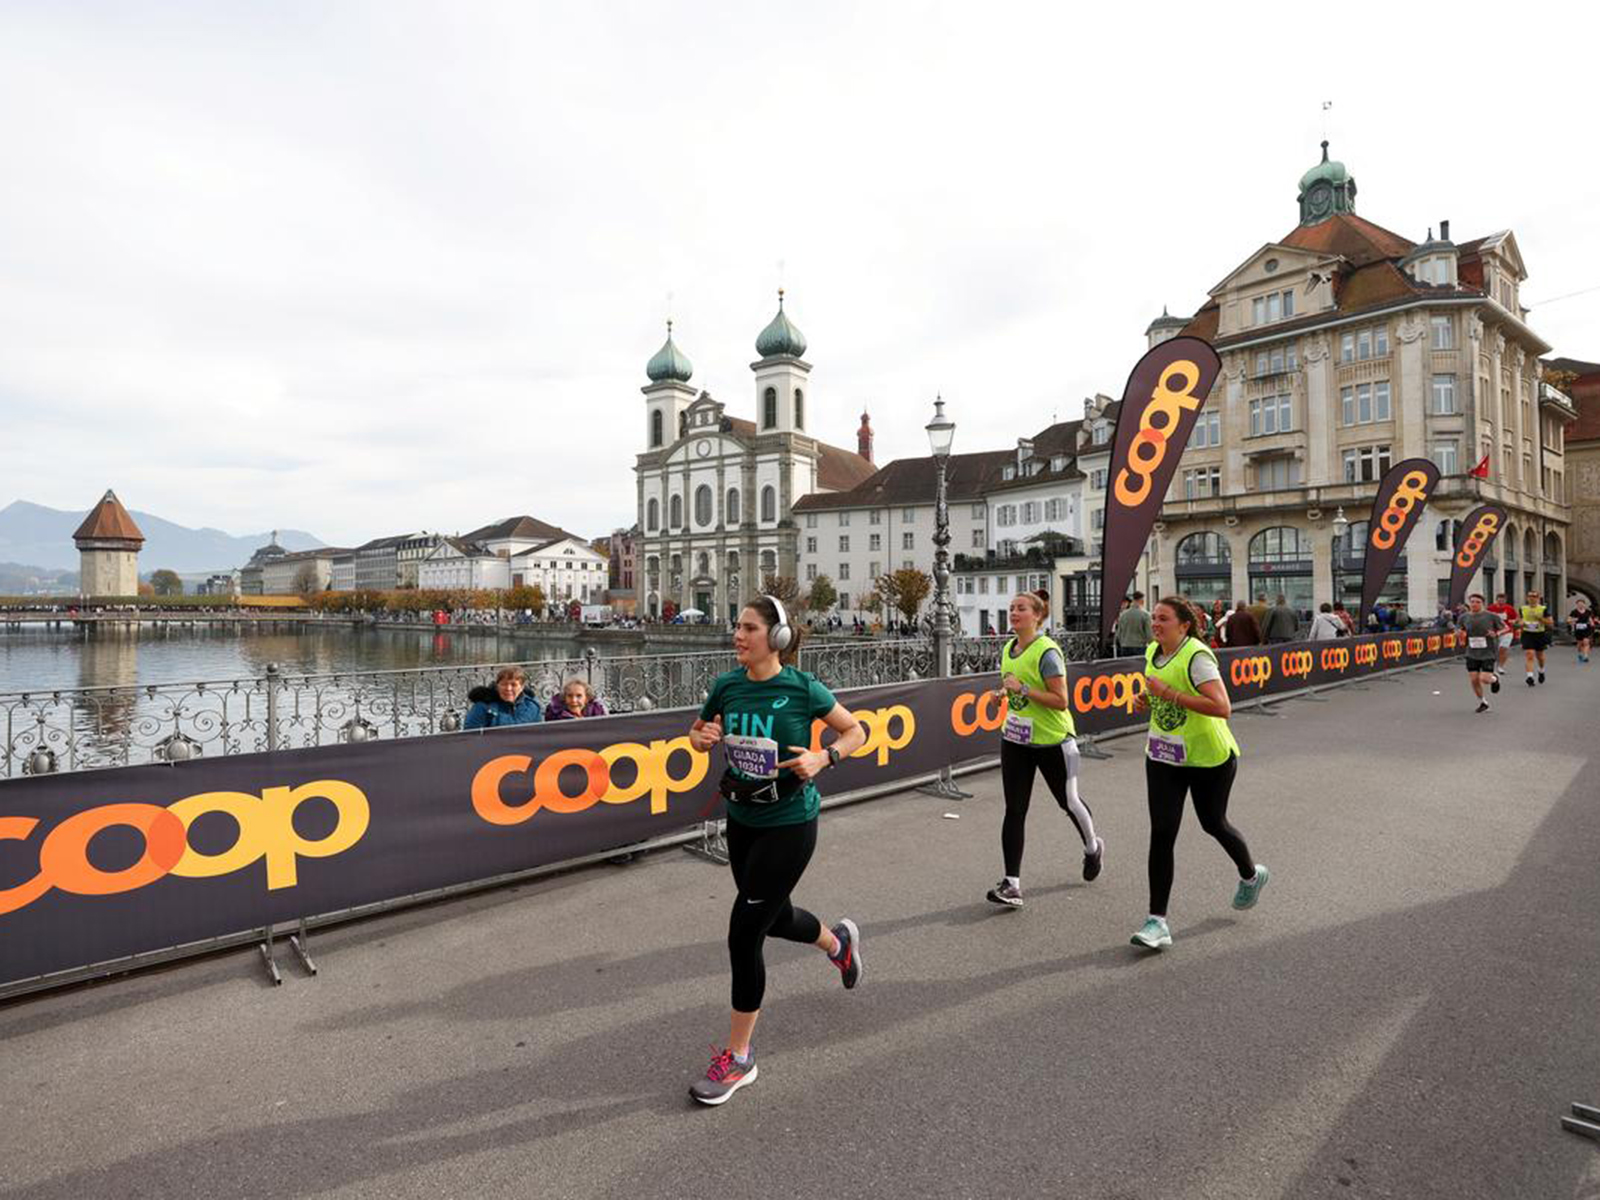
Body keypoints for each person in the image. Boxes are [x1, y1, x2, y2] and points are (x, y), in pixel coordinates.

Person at [685, 595, 867, 1106]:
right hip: (741, 820)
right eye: (736, 627)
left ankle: (739, 1059)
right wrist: (703, 738)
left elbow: (856, 731)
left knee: (745, 934)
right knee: (773, 915)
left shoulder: (802, 688)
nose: (738, 635)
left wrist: (823, 756)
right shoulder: (727, 685)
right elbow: (696, 734)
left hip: (790, 824)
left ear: (777, 637)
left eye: (748, 627)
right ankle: (839, 945)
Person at [1129, 596, 1268, 951]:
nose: (1155, 624)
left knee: (1213, 823)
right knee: (1162, 832)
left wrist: (1170, 694)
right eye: (1154, 618)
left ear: (1184, 625)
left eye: (1163, 619)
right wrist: (1149, 700)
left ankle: (1251, 874)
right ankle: (1156, 922)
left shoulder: (1197, 657)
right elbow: (1157, 692)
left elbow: (1222, 708)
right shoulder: (1152, 653)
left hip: (1209, 757)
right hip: (1163, 755)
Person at [985, 591, 1104, 909]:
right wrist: (1001, 695)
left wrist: (1020, 688)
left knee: (1069, 802)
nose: (1013, 613)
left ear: (1037, 616)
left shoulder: (1047, 651)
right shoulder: (1009, 648)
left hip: (1053, 740)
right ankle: (1012, 884)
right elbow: (1017, 686)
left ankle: (1093, 847)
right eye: (1011, 608)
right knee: (1014, 809)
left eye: (1021, 608)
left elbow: (1060, 700)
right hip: (1016, 739)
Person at [1459, 594, 1508, 713]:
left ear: (1482, 603)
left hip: (1488, 652)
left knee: (1484, 679)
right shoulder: (1464, 617)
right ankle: (1483, 702)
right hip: (1471, 652)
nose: (1474, 604)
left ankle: (1494, 679)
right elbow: (1460, 629)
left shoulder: (1491, 616)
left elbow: (1506, 628)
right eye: (1472, 602)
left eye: (1477, 602)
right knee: (1474, 679)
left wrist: (1496, 633)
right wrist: (1460, 636)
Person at [463, 666, 543, 728]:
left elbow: (538, 737)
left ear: (522, 687)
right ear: (497, 686)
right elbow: (469, 737)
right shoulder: (483, 707)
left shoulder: (532, 707)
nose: (508, 689)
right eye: (504, 684)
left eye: (513, 685)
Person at [1519, 590, 1553, 686]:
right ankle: (1529, 677)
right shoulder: (1523, 608)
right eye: (1530, 596)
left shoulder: (1543, 609)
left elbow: (1550, 623)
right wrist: (1520, 623)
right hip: (1527, 633)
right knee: (1529, 654)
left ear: (1538, 598)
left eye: (1534, 596)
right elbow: (1520, 620)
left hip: (1539, 634)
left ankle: (1541, 670)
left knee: (1540, 657)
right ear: (1527, 598)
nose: (1532, 598)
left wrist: (1540, 618)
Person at [1114, 591, 1153, 658]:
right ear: (1142, 601)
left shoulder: (1123, 615)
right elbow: (1149, 635)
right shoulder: (1145, 615)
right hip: (1140, 647)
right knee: (1138, 667)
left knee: (1126, 668)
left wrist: (1122, 644)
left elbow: (1118, 634)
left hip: (1125, 647)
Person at [1488, 593, 1518, 675]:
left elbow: (1515, 618)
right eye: (1499, 599)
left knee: (1503, 648)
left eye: (1503, 599)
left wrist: (1513, 621)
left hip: (1507, 631)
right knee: (1494, 650)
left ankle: (1500, 666)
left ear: (1505, 600)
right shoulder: (1491, 608)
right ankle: (1493, 666)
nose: (1501, 601)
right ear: (1496, 599)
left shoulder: (1509, 608)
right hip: (1495, 632)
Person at [1571, 597, 1595, 664]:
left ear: (1584, 604)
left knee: (1586, 642)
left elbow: (1590, 619)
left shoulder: (1588, 612)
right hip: (1578, 629)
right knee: (1579, 644)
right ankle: (1580, 654)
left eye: (1582, 604)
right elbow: (1569, 620)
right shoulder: (1574, 612)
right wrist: (1573, 620)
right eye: (1579, 604)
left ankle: (1585, 656)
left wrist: (1592, 624)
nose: (1580, 605)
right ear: (1577, 605)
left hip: (1586, 628)